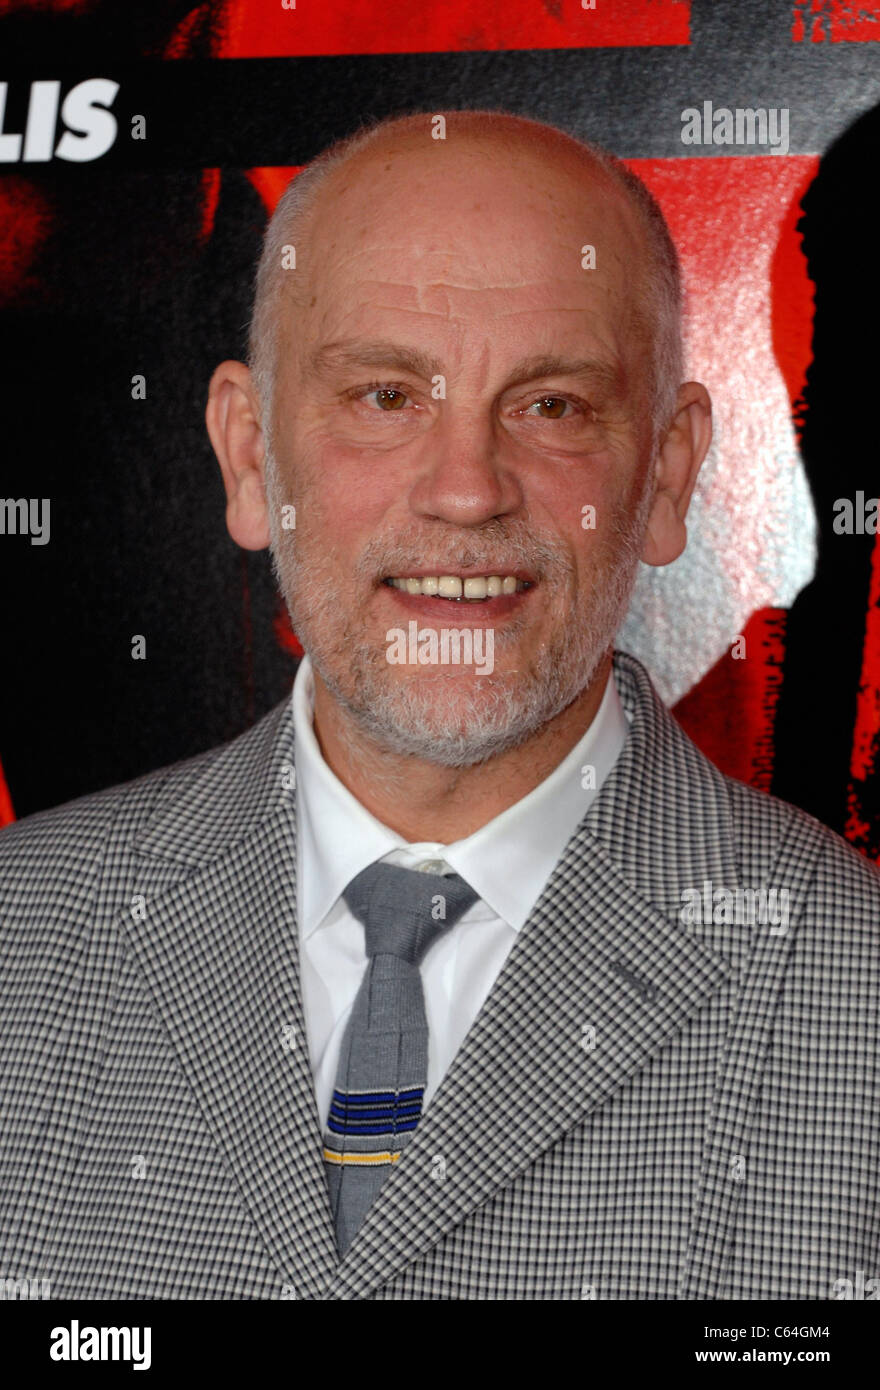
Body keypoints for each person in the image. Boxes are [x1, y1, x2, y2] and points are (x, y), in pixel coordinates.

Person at [1, 109, 878, 1302]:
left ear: (667, 474)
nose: (465, 489)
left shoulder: (855, 996)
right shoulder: (21, 942)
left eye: (553, 405)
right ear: (251, 459)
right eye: (383, 395)